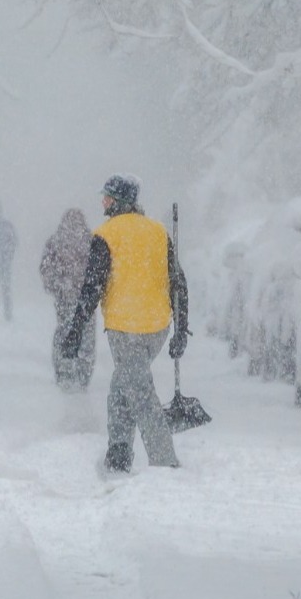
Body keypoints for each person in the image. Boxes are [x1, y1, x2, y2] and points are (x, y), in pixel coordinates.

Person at [58, 175, 189, 473]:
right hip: (157, 326)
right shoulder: (159, 232)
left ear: (118, 201)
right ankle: (118, 452)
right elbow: (178, 284)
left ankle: (165, 461)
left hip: (125, 328)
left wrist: (76, 329)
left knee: (141, 395)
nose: (102, 201)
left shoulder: (106, 235)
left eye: (107, 196)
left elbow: (92, 287)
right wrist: (181, 329)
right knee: (123, 385)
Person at [39, 208, 96, 391]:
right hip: (85, 297)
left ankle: (65, 372)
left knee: (65, 331)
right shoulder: (90, 240)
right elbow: (99, 269)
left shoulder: (56, 241)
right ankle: (82, 373)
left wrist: (58, 285)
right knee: (85, 333)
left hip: (68, 296)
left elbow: (46, 269)